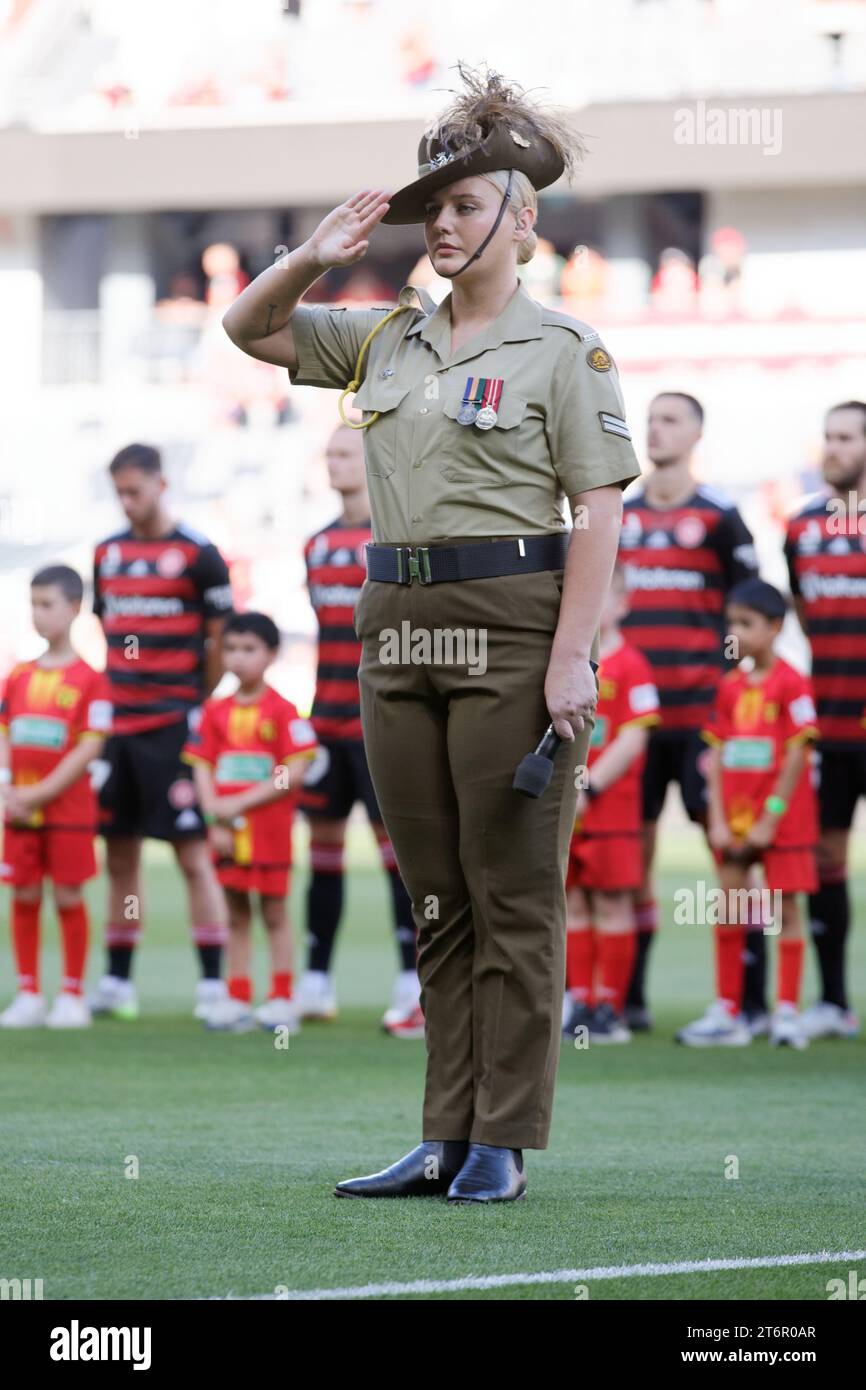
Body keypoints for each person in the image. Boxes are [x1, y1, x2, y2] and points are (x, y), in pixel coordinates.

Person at [223, 62, 641, 1203]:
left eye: (462, 205)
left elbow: (597, 510)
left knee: (511, 893)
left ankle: (501, 1136)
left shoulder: (564, 350)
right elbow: (244, 327)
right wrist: (314, 251)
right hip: (393, 621)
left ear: (522, 219)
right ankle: (441, 1132)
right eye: (432, 208)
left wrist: (569, 656)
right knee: (435, 897)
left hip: (511, 620)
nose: (442, 224)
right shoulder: (382, 340)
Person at [619, 392, 762, 1032]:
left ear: (698, 433)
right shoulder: (618, 516)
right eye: (650, 420)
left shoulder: (720, 518)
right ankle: (626, 1001)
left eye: (671, 420)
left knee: (730, 860)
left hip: (702, 721)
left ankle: (746, 1002)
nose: (657, 430)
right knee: (631, 861)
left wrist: (725, 685)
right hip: (635, 729)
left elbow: (752, 612)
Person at [90, 443, 234, 1020]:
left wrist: (192, 700)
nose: (127, 503)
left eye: (135, 491)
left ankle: (212, 989)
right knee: (121, 860)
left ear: (161, 484)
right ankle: (119, 983)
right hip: (118, 727)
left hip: (173, 727)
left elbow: (221, 642)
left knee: (193, 856)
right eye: (119, 493)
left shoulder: (199, 555)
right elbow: (106, 625)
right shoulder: (107, 553)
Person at [296, 420, 422, 1037]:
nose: (334, 464)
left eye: (345, 453)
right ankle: (315, 979)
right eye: (329, 454)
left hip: (382, 721)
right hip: (325, 723)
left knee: (395, 859)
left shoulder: (395, 538)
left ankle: (410, 980)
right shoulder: (316, 544)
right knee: (320, 853)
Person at [678, 579, 819, 1049]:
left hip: (781, 822)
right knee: (730, 907)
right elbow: (716, 758)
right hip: (735, 820)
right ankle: (729, 1012)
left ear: (776, 628)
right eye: (730, 624)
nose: (734, 633)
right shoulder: (729, 686)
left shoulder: (792, 682)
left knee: (785, 909)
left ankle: (786, 1013)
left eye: (746, 624)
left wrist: (772, 816)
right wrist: (715, 817)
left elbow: (799, 754)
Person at [182, 612, 319, 1032]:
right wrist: (214, 815)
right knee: (236, 913)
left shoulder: (282, 710)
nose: (238, 659)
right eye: (231, 649)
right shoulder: (213, 711)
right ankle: (236, 996)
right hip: (225, 835)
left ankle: (281, 998)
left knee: (275, 912)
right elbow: (202, 767)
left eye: (249, 649)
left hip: (270, 832)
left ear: (272, 654)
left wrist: (240, 802)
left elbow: (292, 772)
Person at [784, 401, 866, 1040]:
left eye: (844, 438)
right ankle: (835, 1002)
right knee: (826, 858)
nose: (831, 448)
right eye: (828, 436)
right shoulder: (803, 527)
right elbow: (810, 618)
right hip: (832, 729)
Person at [0, 566, 112, 1028]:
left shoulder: (91, 679)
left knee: (67, 895)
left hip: (66, 810)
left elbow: (90, 746)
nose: (38, 614)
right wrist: (8, 783)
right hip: (19, 809)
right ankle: (28, 992)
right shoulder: (19, 675)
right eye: (33, 604)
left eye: (47, 604)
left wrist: (39, 793)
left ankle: (71, 993)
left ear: (74, 609)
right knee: (24, 893)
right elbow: (5, 730)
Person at [562, 564, 660, 1044]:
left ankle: (611, 1008)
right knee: (573, 904)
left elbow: (635, 737)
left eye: (603, 595)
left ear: (622, 603)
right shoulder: (563, 663)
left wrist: (590, 788)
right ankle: (579, 1000)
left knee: (613, 905)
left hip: (610, 811)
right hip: (567, 810)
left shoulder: (632, 664)